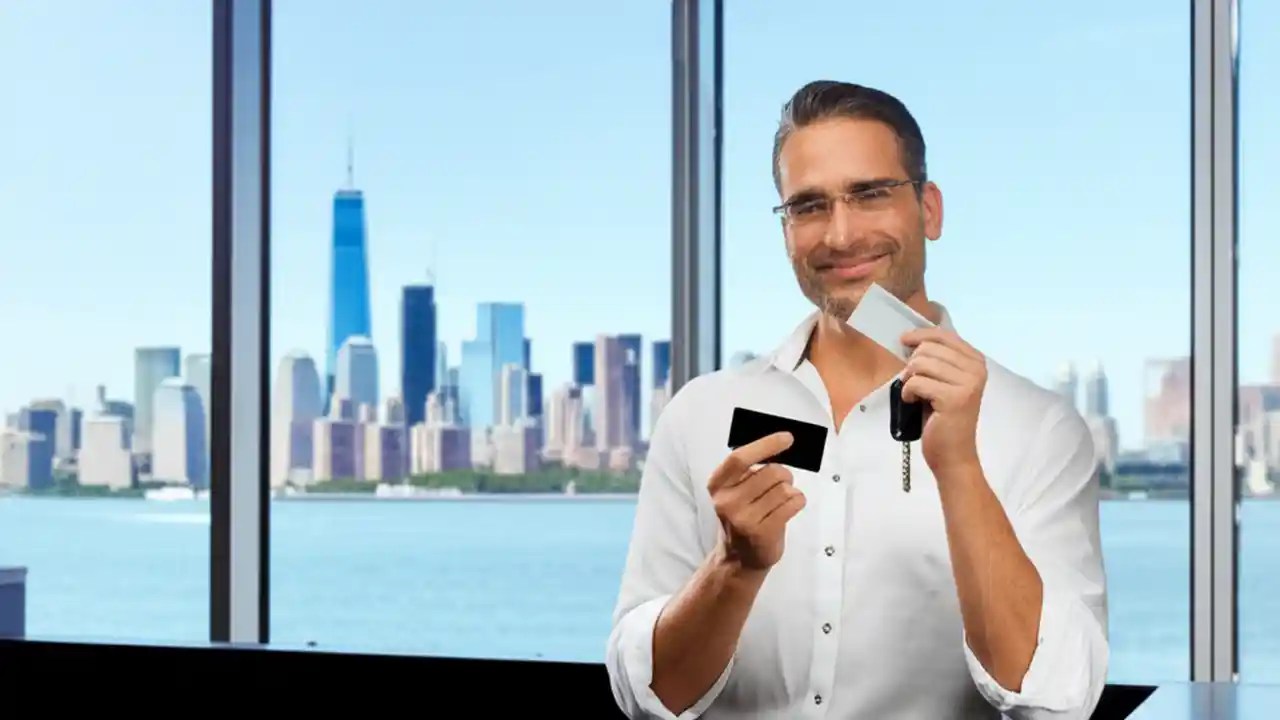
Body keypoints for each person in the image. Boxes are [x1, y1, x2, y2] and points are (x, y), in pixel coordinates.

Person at [605, 80, 1108, 719]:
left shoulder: (1038, 430)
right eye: (809, 206)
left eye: (869, 194)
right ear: (786, 229)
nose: (840, 235)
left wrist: (958, 468)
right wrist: (733, 568)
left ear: (929, 209)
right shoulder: (701, 415)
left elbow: (1057, 699)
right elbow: (646, 697)